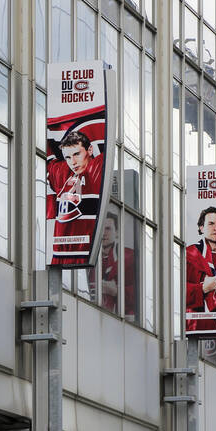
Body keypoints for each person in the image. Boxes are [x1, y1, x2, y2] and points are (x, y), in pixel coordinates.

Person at [46, 131, 104, 266]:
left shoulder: (96, 168)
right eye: (67, 157)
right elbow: (47, 155)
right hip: (59, 256)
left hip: (87, 255)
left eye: (77, 154)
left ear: (90, 150)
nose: (72, 162)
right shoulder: (61, 172)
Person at [185, 206, 216, 334]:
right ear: (201, 228)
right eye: (211, 224)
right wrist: (202, 289)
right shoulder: (190, 254)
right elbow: (175, 292)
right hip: (201, 326)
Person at [88, 209, 136, 316]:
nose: (104, 233)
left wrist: (116, 291)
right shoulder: (89, 258)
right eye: (101, 229)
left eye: (108, 229)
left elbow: (141, 295)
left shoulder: (129, 257)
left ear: (117, 232)